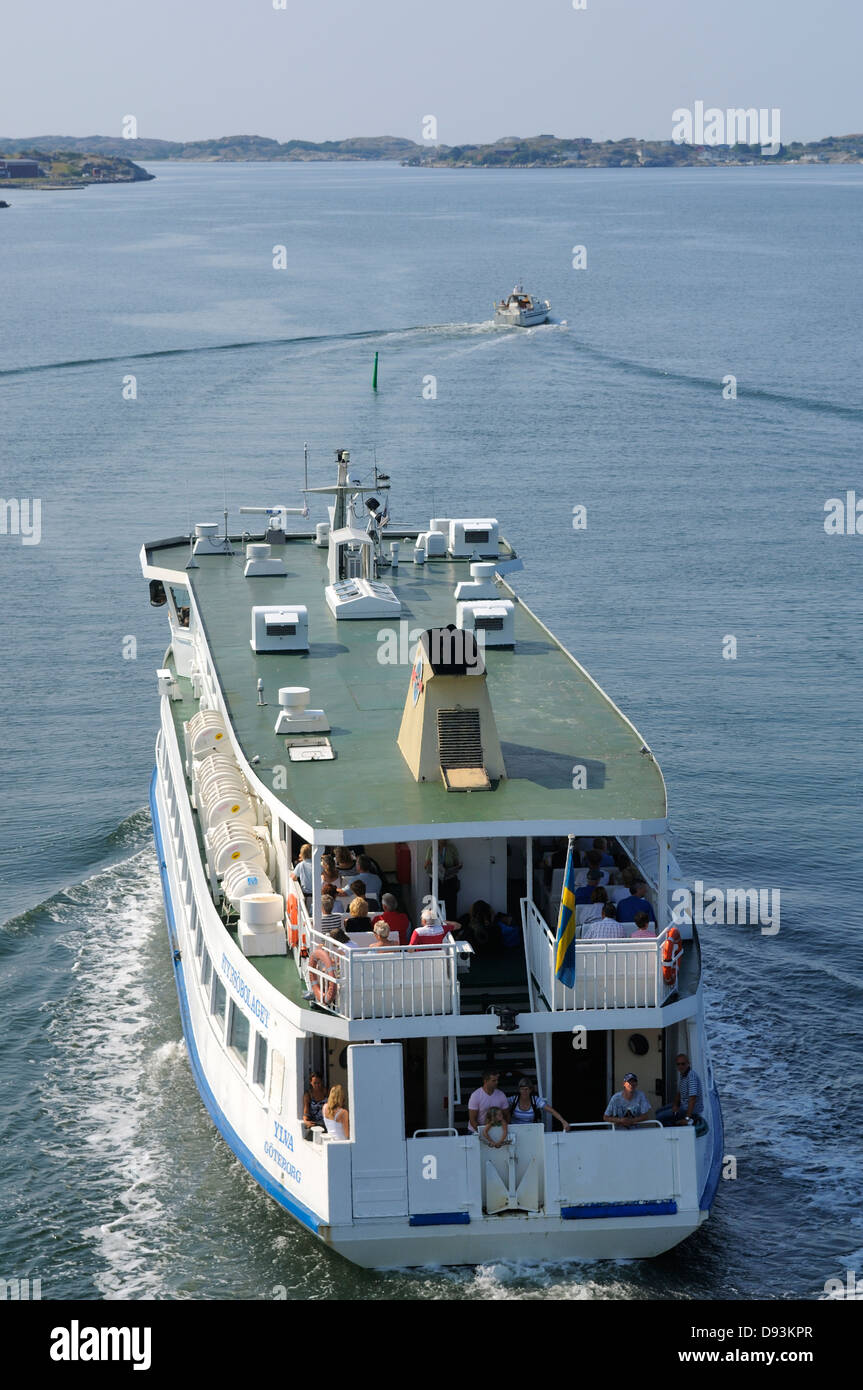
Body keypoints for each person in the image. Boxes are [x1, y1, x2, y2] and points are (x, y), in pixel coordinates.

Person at [506, 1078, 571, 1130]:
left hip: (530, 1130)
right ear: (519, 1090)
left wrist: (563, 1121)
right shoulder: (513, 1099)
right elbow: (499, 1104)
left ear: (531, 1090)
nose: (524, 1092)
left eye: (526, 1089)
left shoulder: (535, 1100)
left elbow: (552, 1111)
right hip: (514, 1129)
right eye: (522, 1089)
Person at [657, 1054, 703, 1126]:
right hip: (683, 1105)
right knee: (658, 1111)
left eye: (683, 1064)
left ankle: (673, 1131)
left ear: (688, 1064)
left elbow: (692, 1099)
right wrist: (675, 1105)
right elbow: (679, 1093)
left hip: (692, 1110)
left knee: (660, 1117)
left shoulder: (691, 1077)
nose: (680, 1066)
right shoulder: (683, 1075)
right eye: (678, 1064)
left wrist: (687, 1119)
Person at [424, 839, 462, 922]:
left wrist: (455, 868)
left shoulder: (451, 848)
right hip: (436, 881)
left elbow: (457, 864)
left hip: (450, 881)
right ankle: (437, 926)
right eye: (441, 839)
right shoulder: (431, 848)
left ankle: (451, 929)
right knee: (436, 904)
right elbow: (426, 866)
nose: (443, 841)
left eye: (444, 839)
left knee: (451, 906)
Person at [467, 1069, 509, 1135]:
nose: (497, 1082)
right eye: (493, 1081)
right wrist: (483, 1132)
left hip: (496, 1131)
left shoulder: (501, 1095)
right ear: (485, 1081)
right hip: (476, 1131)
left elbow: (507, 1115)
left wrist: (502, 1130)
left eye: (497, 1080)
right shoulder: (475, 1095)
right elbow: (472, 1120)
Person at [301, 1072, 328, 1140]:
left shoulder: (326, 1092)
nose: (317, 1085)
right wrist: (306, 1121)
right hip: (315, 1124)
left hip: (326, 1123)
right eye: (315, 1083)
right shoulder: (308, 1095)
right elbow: (306, 1111)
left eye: (319, 1083)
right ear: (311, 1082)